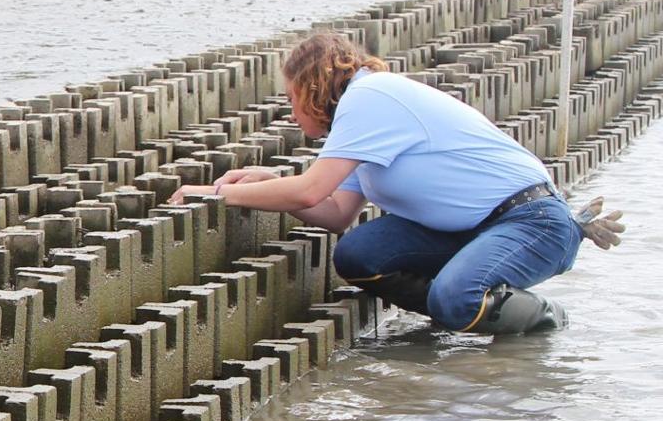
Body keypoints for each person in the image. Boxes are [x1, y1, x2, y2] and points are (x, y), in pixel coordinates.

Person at [171, 31, 624, 336]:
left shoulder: (370, 99)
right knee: (358, 254)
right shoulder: (363, 118)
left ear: (313, 88)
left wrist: (216, 193)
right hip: (478, 227)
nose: (291, 114)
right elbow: (333, 214)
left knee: (455, 296)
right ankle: (466, 308)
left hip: (531, 221)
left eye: (292, 99)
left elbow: (310, 190)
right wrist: (271, 183)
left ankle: (546, 321)